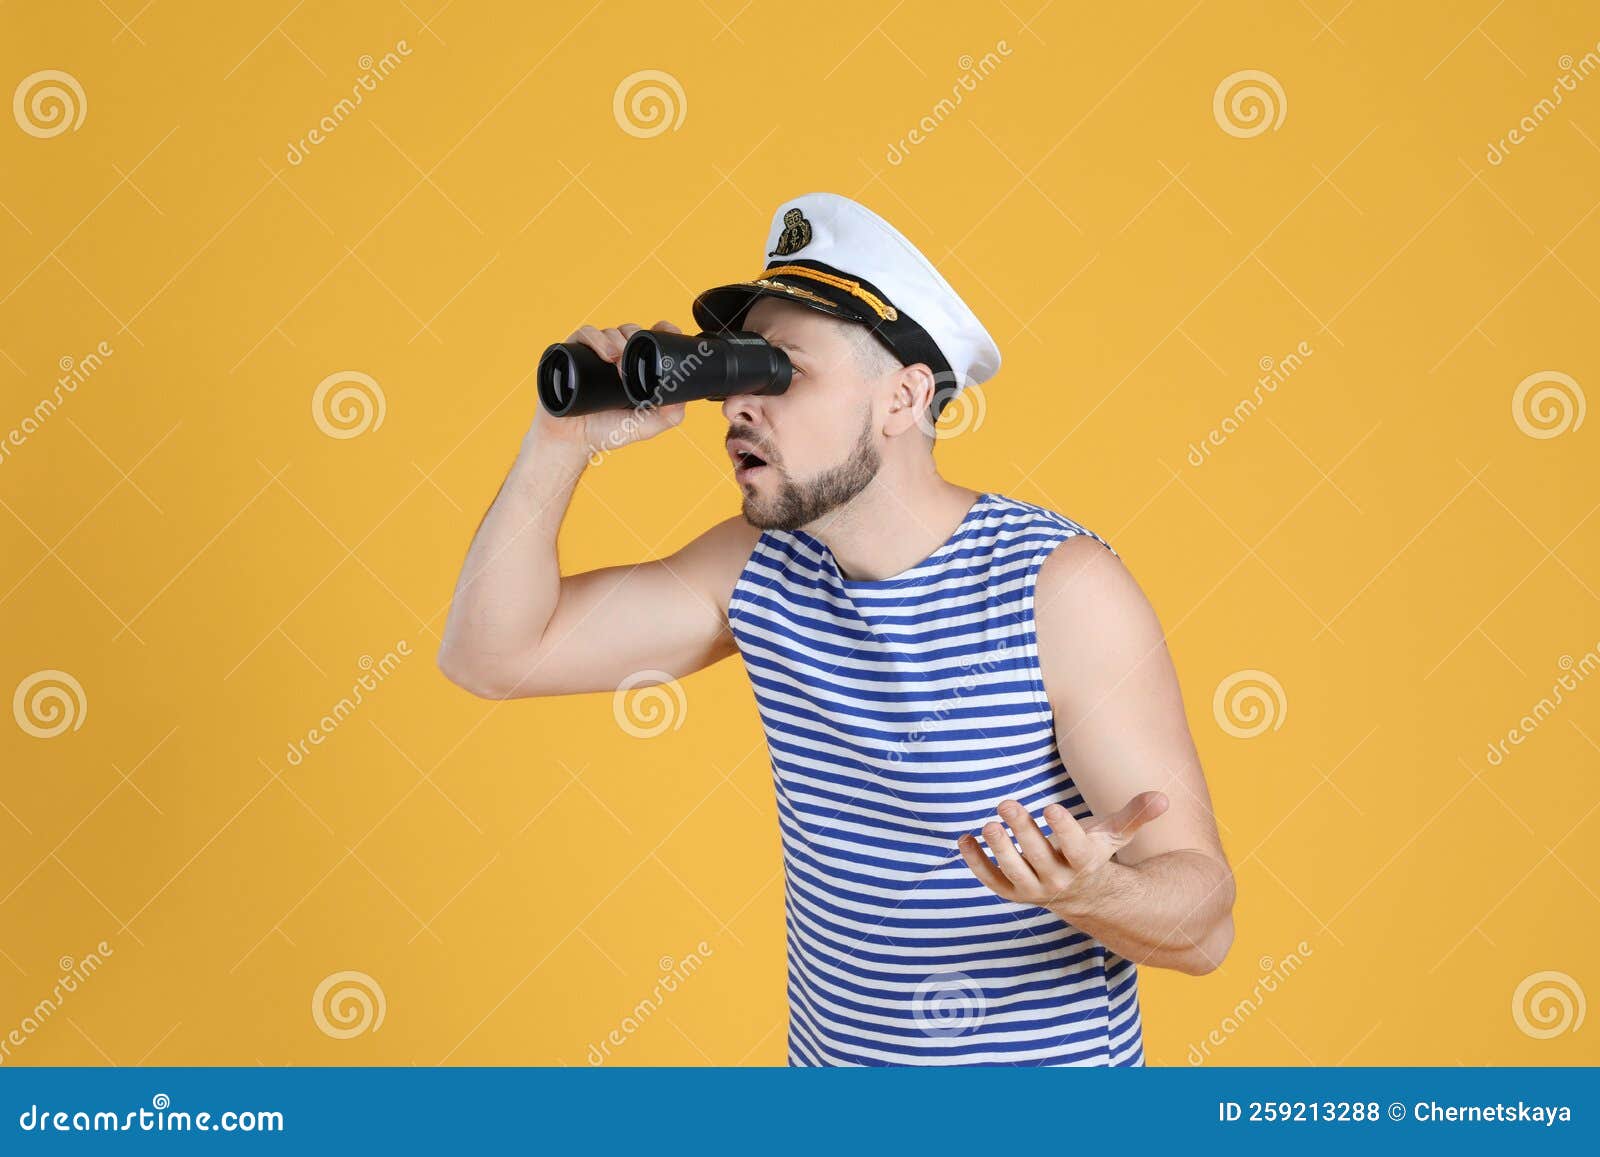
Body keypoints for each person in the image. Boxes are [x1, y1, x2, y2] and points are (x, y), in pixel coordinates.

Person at [438, 192, 1235, 1066]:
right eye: (737, 372)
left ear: (903, 397)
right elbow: (492, 655)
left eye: (779, 370)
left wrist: (1093, 890)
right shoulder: (764, 568)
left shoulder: (1057, 588)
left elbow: (1204, 926)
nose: (739, 403)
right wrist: (560, 442)